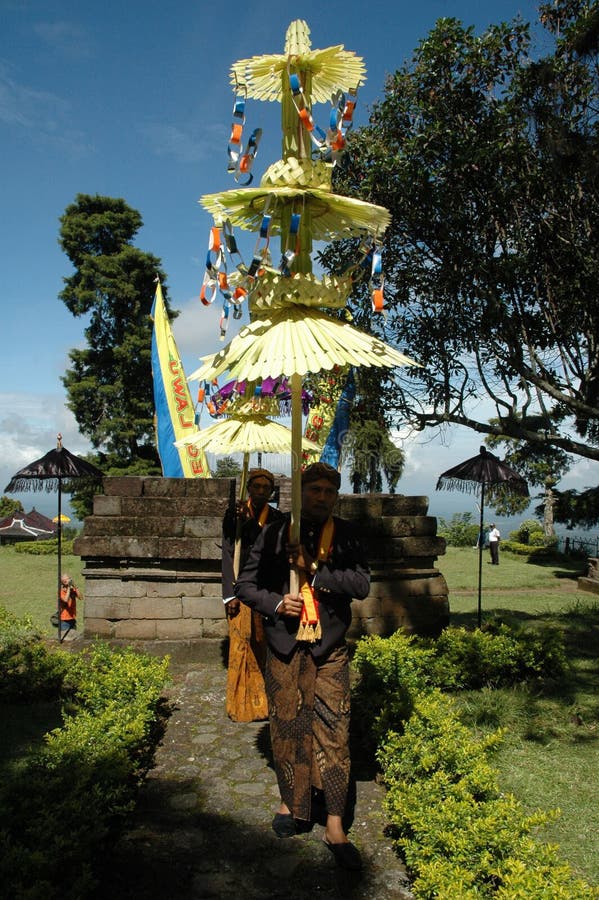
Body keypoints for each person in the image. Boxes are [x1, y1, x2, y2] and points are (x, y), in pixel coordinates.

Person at [235, 462, 370, 871]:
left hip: (329, 648)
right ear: (301, 492)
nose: (322, 497)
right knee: (287, 727)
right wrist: (278, 603)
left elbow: (361, 585)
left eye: (330, 491)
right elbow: (245, 585)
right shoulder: (275, 533)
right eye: (315, 489)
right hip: (284, 645)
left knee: (335, 732)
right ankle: (291, 803)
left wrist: (315, 569)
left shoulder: (346, 536)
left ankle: (333, 823)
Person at [222, 467, 284, 722]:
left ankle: (266, 704)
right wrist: (229, 595)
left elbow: (274, 552)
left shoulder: (277, 519)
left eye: (265, 488)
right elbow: (227, 555)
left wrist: (251, 524)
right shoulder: (233, 516)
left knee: (265, 646)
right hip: (239, 592)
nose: (260, 492)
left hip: (265, 592)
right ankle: (241, 705)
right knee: (240, 646)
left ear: (271, 492)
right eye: (255, 487)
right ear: (248, 489)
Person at [58, 573, 82, 641]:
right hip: (64, 620)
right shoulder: (61, 591)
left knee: (74, 639)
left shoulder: (73, 589)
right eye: (65, 581)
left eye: (68, 579)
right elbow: (65, 600)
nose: (67, 581)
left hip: (72, 618)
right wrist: (69, 588)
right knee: (65, 639)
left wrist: (75, 587)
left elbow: (81, 597)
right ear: (62, 582)